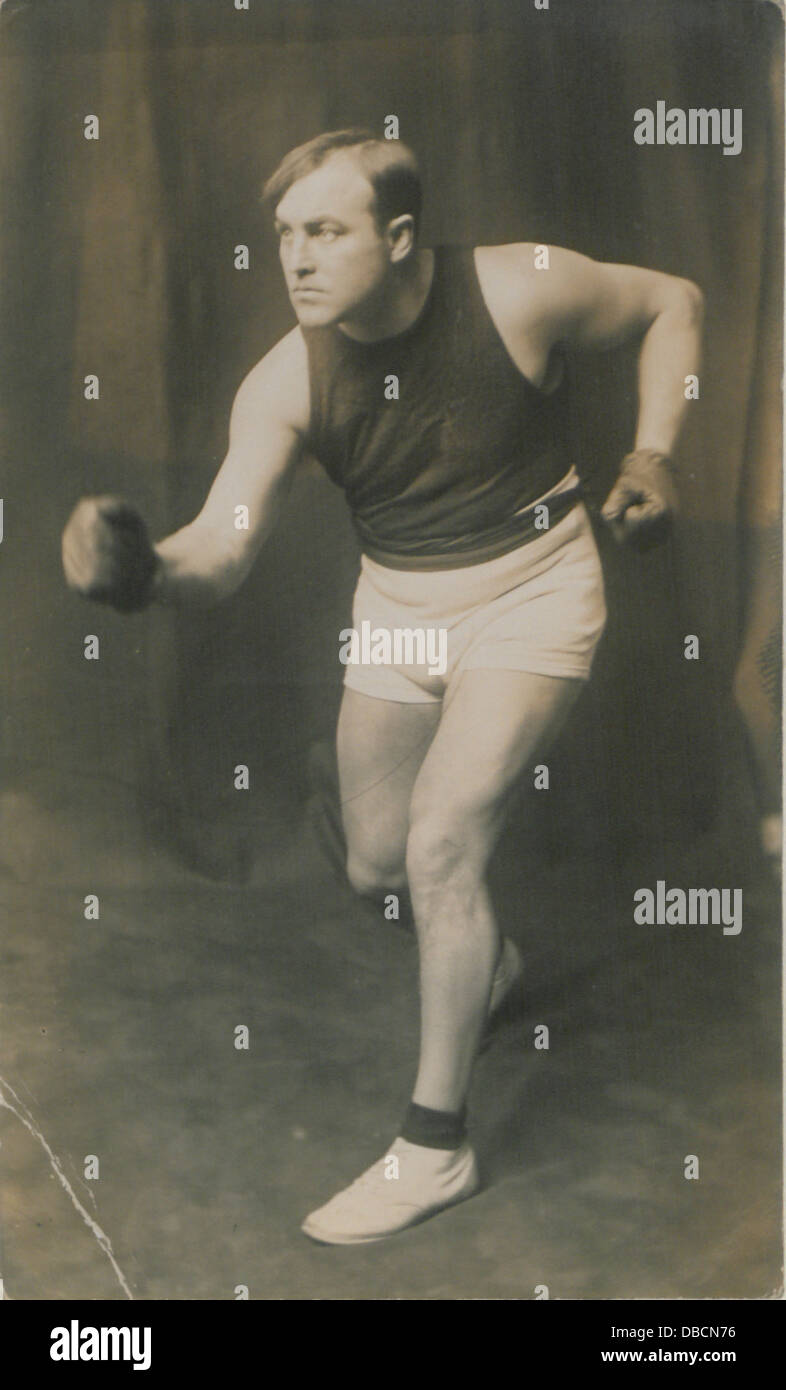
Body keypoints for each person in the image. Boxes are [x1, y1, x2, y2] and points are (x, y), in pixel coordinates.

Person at [62, 129, 704, 1245]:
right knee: (377, 864)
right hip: (399, 612)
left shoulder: (520, 287)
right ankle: (490, 962)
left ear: (400, 236)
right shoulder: (287, 380)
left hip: (533, 593)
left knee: (442, 844)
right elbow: (226, 543)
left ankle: (434, 1145)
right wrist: (146, 573)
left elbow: (674, 300)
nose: (296, 260)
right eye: (283, 238)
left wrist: (654, 452)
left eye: (325, 231)